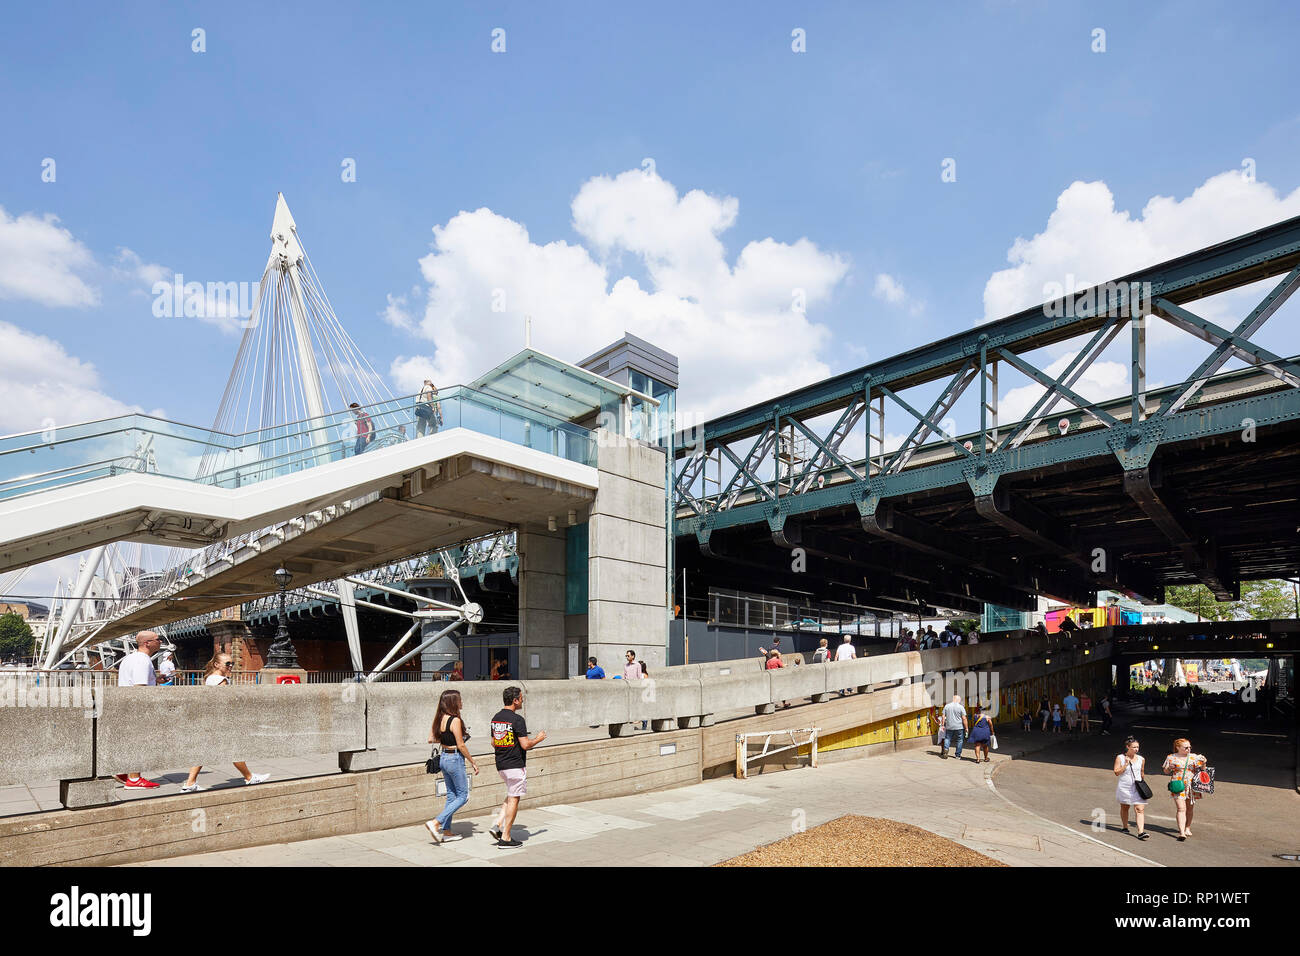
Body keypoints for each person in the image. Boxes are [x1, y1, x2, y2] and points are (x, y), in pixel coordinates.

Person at [180, 653, 271, 792]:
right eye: (227, 663)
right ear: (217, 665)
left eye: (232, 663)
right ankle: (249, 777)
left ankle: (190, 784)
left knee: (203, 752)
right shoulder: (220, 680)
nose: (230, 666)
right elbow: (224, 703)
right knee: (233, 750)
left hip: (211, 721)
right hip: (219, 722)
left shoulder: (210, 678)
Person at [488, 686, 546, 848]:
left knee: (510, 794)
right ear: (514, 700)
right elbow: (525, 745)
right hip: (514, 764)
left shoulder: (496, 718)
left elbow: (494, 742)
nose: (522, 700)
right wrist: (539, 739)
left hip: (501, 765)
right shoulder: (517, 720)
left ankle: (498, 824)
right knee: (514, 798)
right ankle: (505, 838)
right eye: (521, 698)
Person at [425, 689, 479, 843]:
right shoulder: (455, 720)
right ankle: (436, 822)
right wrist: (473, 762)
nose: (462, 702)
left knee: (451, 796)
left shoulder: (440, 718)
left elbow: (431, 739)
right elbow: (461, 745)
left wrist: (446, 738)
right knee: (463, 796)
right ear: (453, 702)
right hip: (455, 758)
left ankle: (447, 832)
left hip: (444, 758)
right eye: (460, 700)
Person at [114, 631, 162, 789]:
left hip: (125, 705)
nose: (160, 642)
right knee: (138, 741)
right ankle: (134, 779)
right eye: (157, 639)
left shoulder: (130, 658)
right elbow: (139, 688)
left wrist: (156, 680)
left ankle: (124, 772)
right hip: (136, 709)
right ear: (147, 643)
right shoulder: (142, 660)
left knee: (130, 741)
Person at [1162, 737, 1207, 841]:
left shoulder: (1194, 757)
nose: (1189, 749)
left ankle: (1187, 827)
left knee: (1189, 809)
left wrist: (1204, 762)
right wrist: (1169, 767)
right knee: (1181, 808)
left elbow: (1203, 769)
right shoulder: (1171, 757)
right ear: (1178, 747)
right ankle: (1182, 832)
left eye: (1190, 747)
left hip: (1191, 785)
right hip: (1178, 784)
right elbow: (1166, 771)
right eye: (1186, 747)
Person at [1113, 736, 1151, 840]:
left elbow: (1142, 772)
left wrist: (1142, 784)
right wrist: (1125, 764)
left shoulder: (1141, 759)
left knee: (1139, 809)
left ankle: (1141, 832)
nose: (1136, 749)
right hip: (1125, 787)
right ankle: (1125, 826)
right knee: (1125, 807)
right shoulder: (1120, 757)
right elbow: (1116, 772)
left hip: (1138, 787)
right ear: (1127, 747)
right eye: (1134, 747)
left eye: (1137, 747)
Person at [940, 694, 968, 760]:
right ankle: (957, 755)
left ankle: (946, 750)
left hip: (949, 726)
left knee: (947, 739)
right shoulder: (961, 707)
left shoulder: (947, 706)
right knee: (959, 740)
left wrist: (943, 725)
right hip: (959, 727)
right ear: (958, 700)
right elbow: (964, 718)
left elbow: (943, 716)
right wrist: (966, 728)